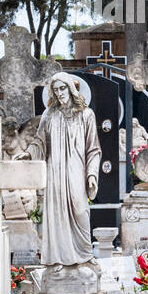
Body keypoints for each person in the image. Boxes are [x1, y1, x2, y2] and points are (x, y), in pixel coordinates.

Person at [31, 74, 101, 270]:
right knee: (57, 212)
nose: (60, 93)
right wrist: (28, 155)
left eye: (63, 88)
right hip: (55, 170)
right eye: (56, 90)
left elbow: (93, 148)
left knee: (80, 209)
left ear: (71, 89)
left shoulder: (86, 115)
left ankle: (86, 255)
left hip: (76, 170)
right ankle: (59, 258)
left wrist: (92, 174)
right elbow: (39, 141)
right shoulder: (49, 115)